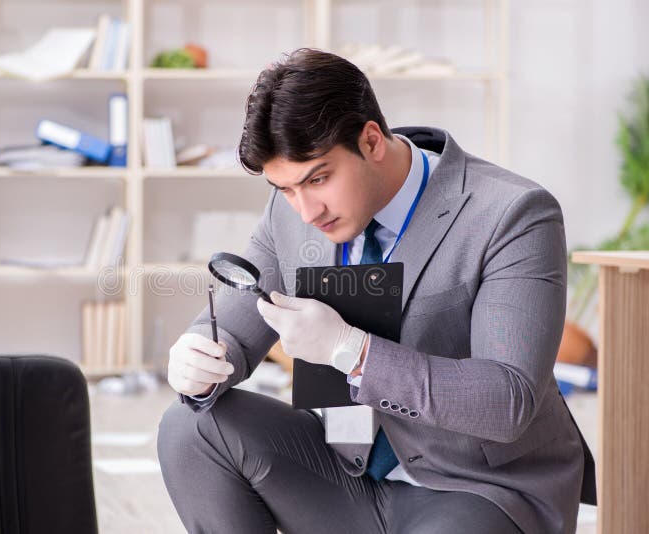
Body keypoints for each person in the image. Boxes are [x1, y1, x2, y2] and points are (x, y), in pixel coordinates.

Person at [157, 48, 595, 534]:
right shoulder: (293, 210)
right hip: (345, 473)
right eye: (285, 189)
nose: (307, 212)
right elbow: (235, 328)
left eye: (318, 179)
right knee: (190, 428)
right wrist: (198, 355)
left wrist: (353, 350)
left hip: (480, 489)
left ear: (371, 141)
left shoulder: (511, 214)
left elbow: (507, 401)